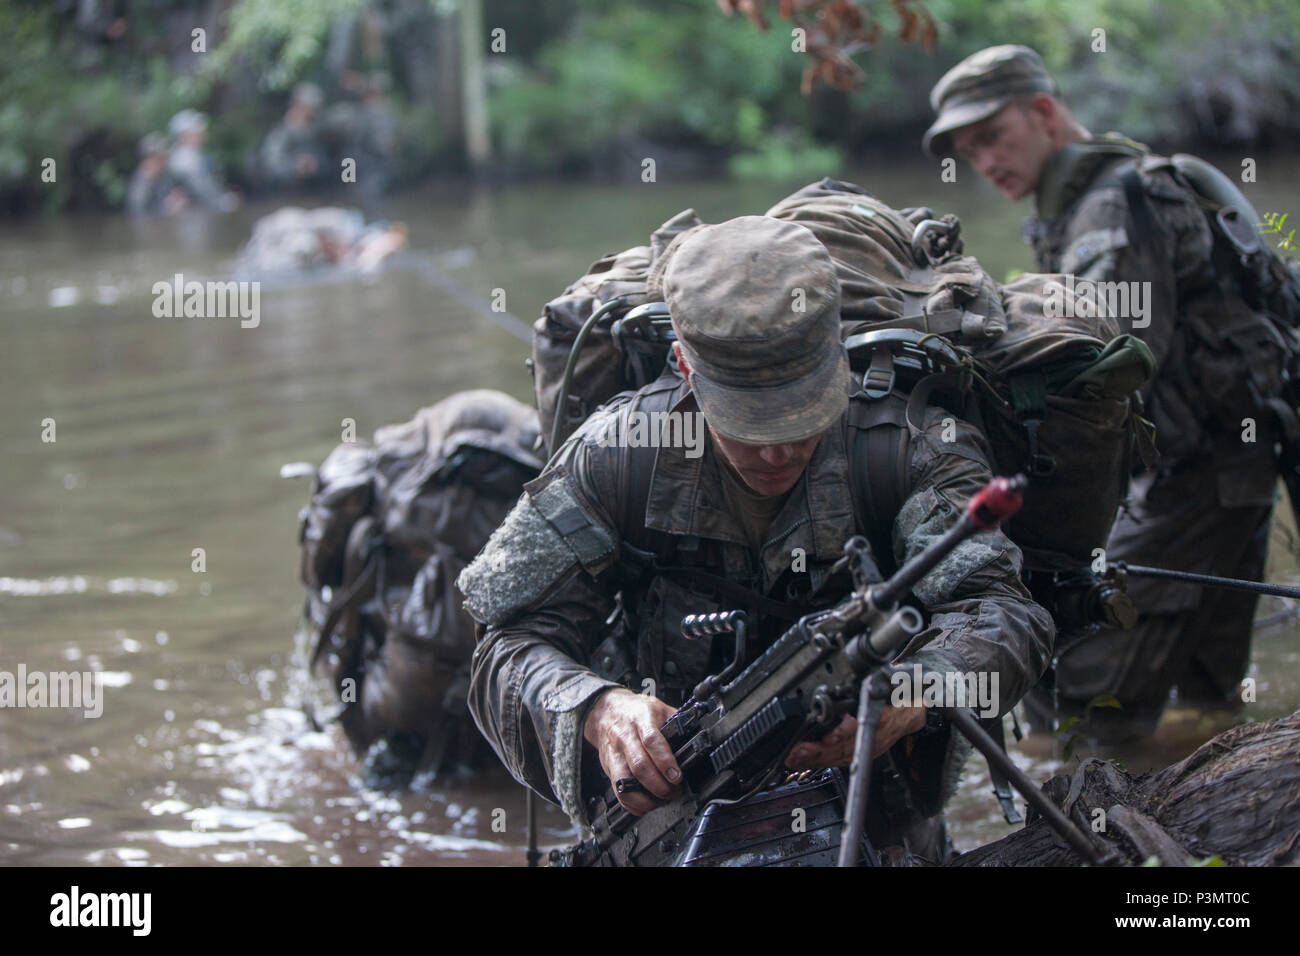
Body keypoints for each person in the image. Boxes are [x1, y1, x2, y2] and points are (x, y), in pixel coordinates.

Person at [459, 216, 1054, 863]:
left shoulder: (907, 451)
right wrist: (601, 711)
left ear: (835, 358)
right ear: (686, 366)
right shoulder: (618, 457)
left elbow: (1003, 611)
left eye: (801, 413)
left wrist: (914, 695)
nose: (776, 448)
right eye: (746, 422)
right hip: (670, 821)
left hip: (875, 816)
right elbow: (505, 645)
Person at [924, 45, 1292, 739]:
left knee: (1080, 708)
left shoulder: (1109, 206)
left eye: (993, 137)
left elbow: (1103, 372)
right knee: (1210, 698)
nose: (986, 161)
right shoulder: (1107, 191)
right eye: (970, 153)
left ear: (1042, 112)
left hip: (1188, 483)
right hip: (1230, 469)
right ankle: (1223, 805)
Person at [258, 82, 330, 193]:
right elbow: (270, 166)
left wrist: (316, 166)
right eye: (307, 108)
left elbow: (327, 161)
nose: (310, 114)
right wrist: (295, 167)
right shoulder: (280, 134)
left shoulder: (316, 131)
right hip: (283, 195)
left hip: (316, 195)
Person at [166, 109, 238, 212]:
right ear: (183, 136)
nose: (202, 135)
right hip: (196, 214)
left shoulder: (196, 155)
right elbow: (203, 189)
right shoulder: (184, 159)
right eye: (195, 132)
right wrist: (222, 202)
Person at [125, 132, 172, 217]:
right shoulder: (140, 184)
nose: (164, 162)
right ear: (148, 159)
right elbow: (138, 214)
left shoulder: (163, 177)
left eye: (165, 158)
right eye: (160, 158)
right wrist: (167, 209)